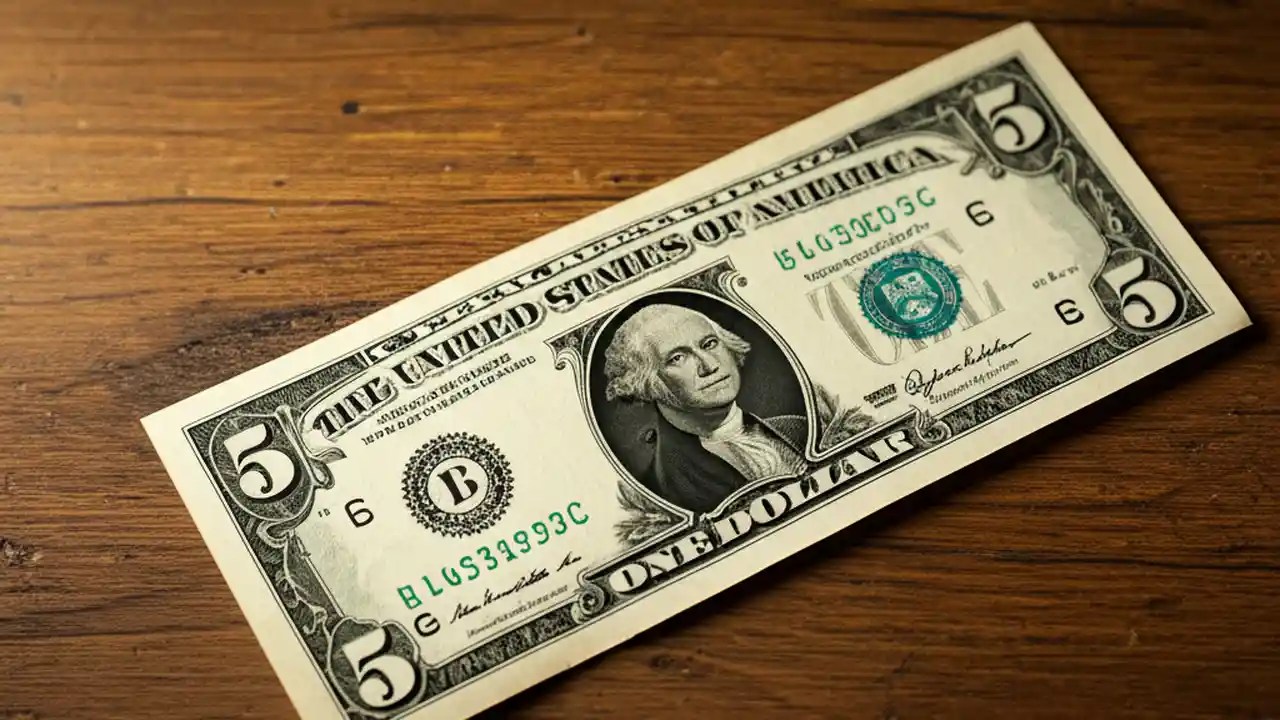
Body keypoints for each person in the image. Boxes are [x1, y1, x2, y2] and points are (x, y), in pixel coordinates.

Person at [603, 303, 807, 513]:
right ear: (645, 382)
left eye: (709, 344)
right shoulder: (660, 494)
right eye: (678, 358)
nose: (709, 366)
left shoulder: (798, 429)